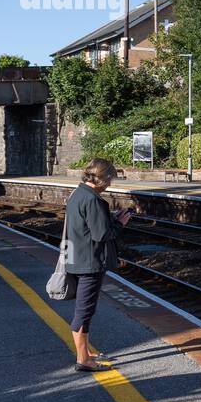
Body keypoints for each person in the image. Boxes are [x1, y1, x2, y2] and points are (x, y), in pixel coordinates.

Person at [65, 158, 134, 371]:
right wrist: (120, 224)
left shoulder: (77, 194)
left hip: (77, 259)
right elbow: (101, 234)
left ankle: (85, 352)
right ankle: (83, 360)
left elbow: (87, 226)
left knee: (84, 310)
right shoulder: (93, 200)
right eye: (110, 179)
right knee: (84, 311)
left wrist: (109, 218)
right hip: (90, 263)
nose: (110, 184)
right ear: (102, 178)